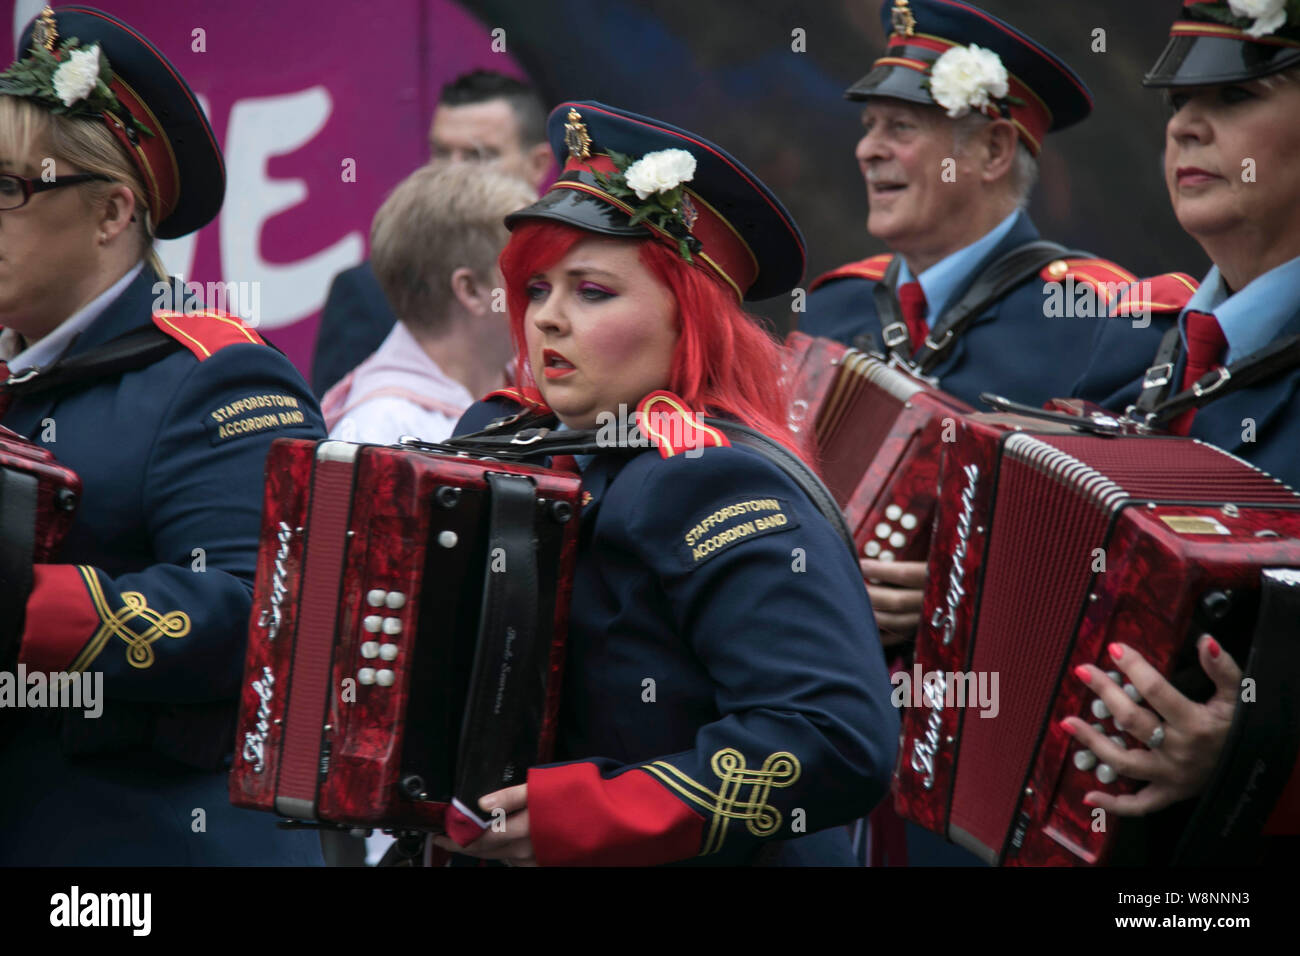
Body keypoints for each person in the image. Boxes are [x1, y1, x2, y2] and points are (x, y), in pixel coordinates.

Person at [432, 101, 899, 866]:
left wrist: (585, 815)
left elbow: (831, 737)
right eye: (538, 288)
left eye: (592, 292)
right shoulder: (509, 443)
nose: (546, 318)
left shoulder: (712, 479)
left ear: (690, 320)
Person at [0, 5, 325, 865]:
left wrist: (20, 608)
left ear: (111, 213)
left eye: (8, 189)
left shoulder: (216, 372)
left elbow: (265, 612)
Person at [1065, 0, 1300, 852]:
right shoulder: (1135, 344)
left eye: (1237, 98)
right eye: (1175, 106)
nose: (1188, 126)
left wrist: (1259, 754)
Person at [311, 70, 551, 396]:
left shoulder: (570, 273)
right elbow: (340, 445)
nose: (453, 170)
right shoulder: (370, 290)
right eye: (441, 152)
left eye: (478, 155)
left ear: (538, 164)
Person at [321, 163, 536, 445]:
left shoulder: (540, 390)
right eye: (527, 268)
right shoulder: (377, 431)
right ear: (471, 290)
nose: (548, 291)